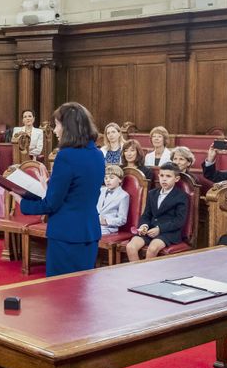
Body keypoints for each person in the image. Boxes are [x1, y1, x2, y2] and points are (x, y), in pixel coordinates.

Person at [16, 102, 104, 276]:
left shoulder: (65, 156)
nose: (55, 130)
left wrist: (22, 202)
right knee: (83, 288)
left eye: (57, 125)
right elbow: (78, 192)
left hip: (66, 234)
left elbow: (51, 204)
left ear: (68, 128)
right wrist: (47, 187)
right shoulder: (98, 154)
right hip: (89, 232)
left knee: (60, 289)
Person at [125, 162, 188, 261]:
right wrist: (144, 226)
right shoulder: (152, 193)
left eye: (168, 176)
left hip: (168, 233)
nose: (164, 179)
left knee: (152, 249)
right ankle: (138, 271)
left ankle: (148, 271)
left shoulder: (181, 196)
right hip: (150, 230)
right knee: (130, 247)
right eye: (162, 175)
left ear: (176, 179)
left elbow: (179, 220)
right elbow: (146, 214)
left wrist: (159, 229)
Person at [98, 164, 130, 235]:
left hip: (108, 228)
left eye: (111, 178)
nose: (108, 180)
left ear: (120, 179)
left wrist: (106, 221)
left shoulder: (123, 196)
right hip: (94, 224)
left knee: (89, 234)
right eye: (106, 178)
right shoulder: (101, 190)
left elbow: (122, 220)